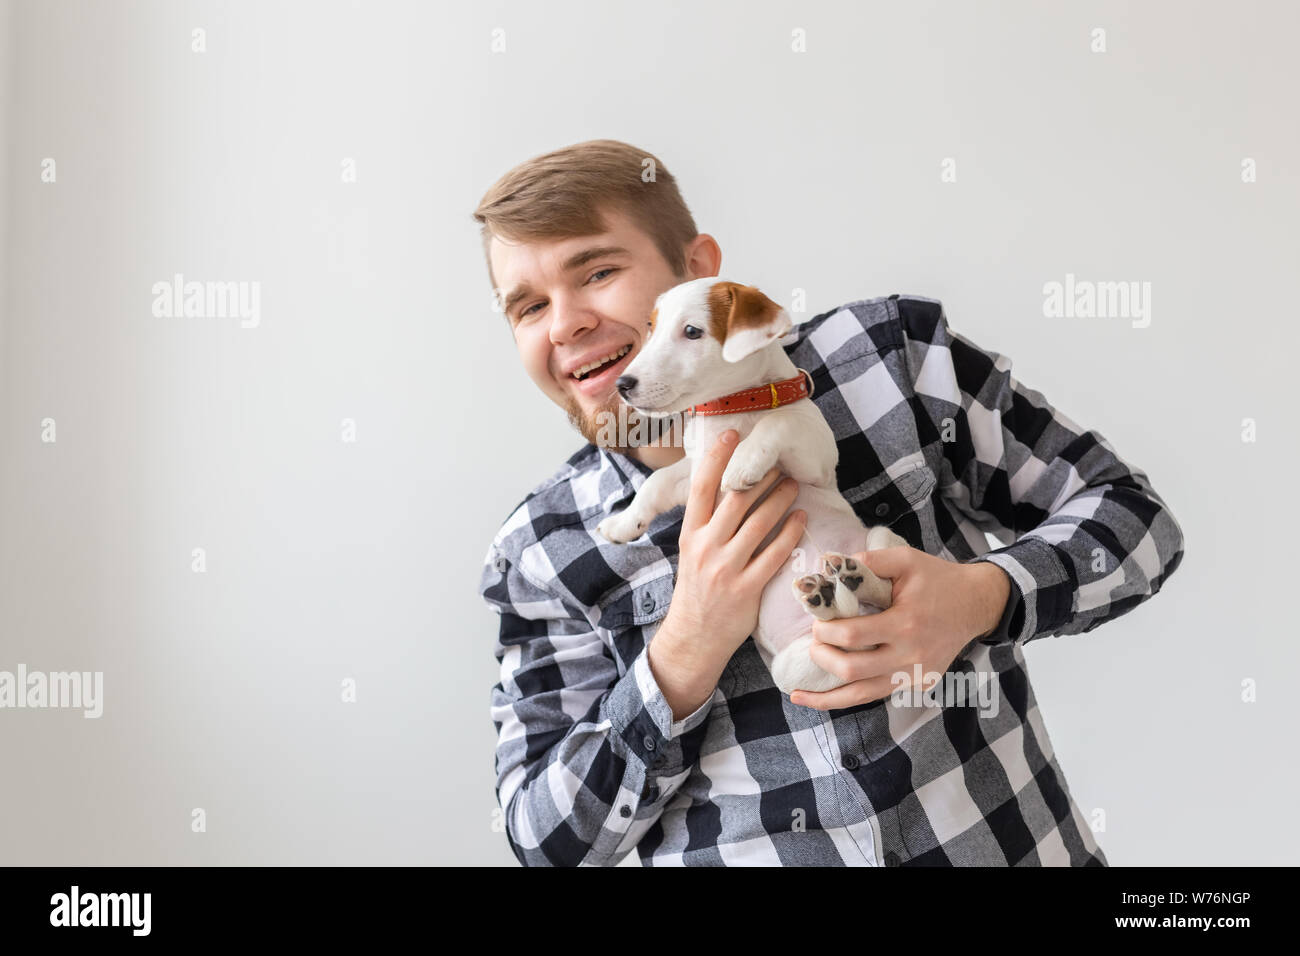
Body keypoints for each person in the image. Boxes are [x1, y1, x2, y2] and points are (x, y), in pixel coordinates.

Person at [474, 138, 1185, 866]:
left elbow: (1135, 521)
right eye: (528, 307)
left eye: (596, 270)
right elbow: (545, 840)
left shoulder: (894, 361)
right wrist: (685, 649)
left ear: (698, 268)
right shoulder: (541, 552)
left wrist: (980, 596)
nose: (564, 324)